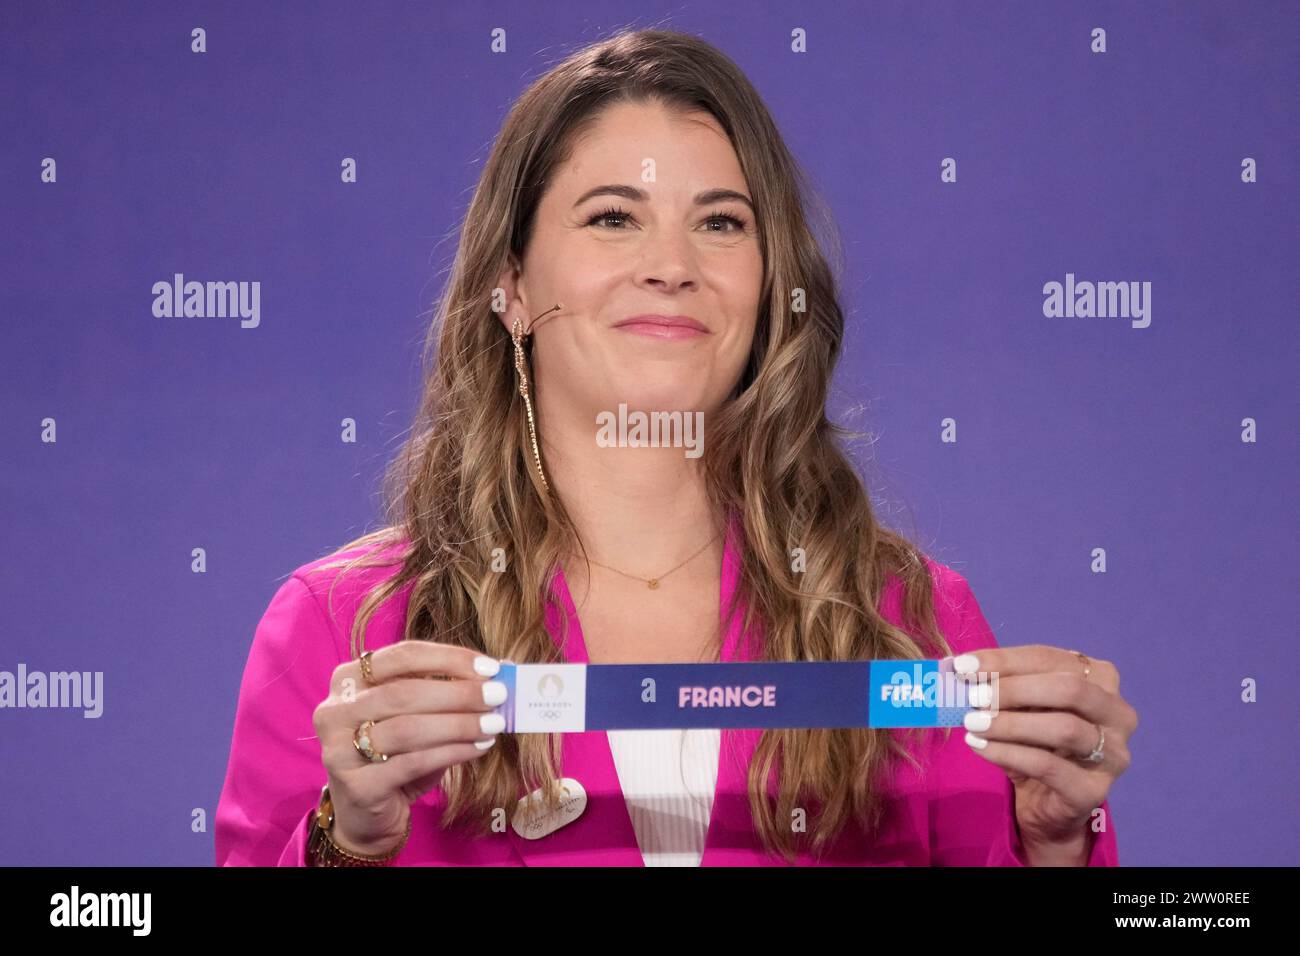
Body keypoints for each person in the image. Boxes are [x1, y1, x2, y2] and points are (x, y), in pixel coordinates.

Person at [214, 27, 1137, 867]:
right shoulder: (345, 626)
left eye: (721, 222)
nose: (673, 265)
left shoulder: (917, 624)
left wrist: (1053, 847)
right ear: (513, 288)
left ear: (774, 288)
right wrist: (349, 844)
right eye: (613, 217)